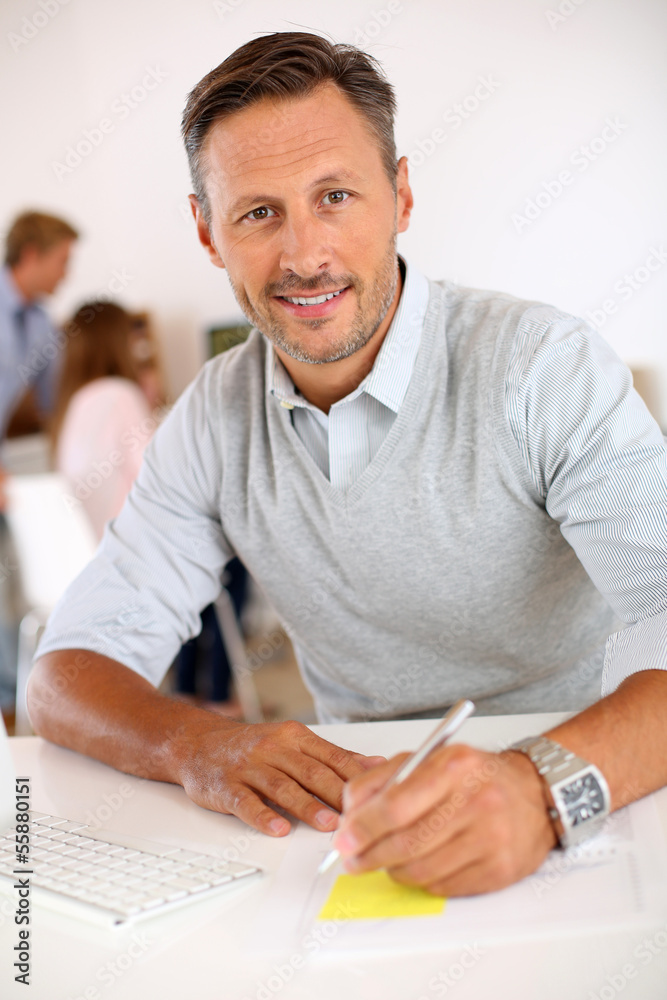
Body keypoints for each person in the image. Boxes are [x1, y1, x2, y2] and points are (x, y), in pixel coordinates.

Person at [27, 33, 667, 898]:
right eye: (258, 212)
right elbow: (63, 675)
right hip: (356, 815)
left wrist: (541, 787)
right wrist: (193, 744)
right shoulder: (209, 419)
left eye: (334, 195)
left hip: (585, 776)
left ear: (400, 194)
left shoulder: (539, 365)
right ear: (206, 231)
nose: (303, 255)